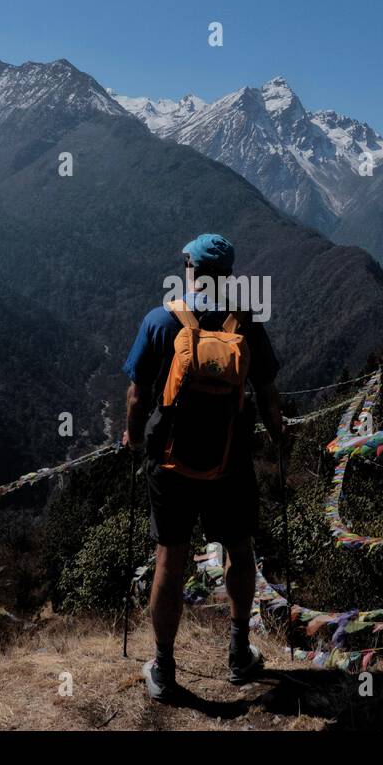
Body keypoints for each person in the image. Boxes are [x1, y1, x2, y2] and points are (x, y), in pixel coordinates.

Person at [122, 233, 285, 702]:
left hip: (170, 464)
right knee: (239, 547)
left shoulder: (160, 320)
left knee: (170, 560)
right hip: (229, 460)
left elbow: (137, 396)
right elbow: (269, 394)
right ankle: (238, 651)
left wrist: (134, 438)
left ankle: (165, 666)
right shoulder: (246, 325)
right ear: (229, 274)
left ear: (190, 268)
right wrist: (277, 437)